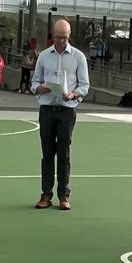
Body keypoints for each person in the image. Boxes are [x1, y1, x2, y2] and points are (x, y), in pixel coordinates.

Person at [31, 18, 90, 210]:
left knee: (64, 154)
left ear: (69, 36)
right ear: (52, 36)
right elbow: (34, 82)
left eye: (64, 38)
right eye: (57, 38)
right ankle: (46, 195)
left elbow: (85, 85)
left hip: (67, 110)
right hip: (47, 109)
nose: (61, 42)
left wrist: (73, 93)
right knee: (47, 154)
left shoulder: (78, 57)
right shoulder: (44, 56)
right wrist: (40, 89)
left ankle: (64, 195)